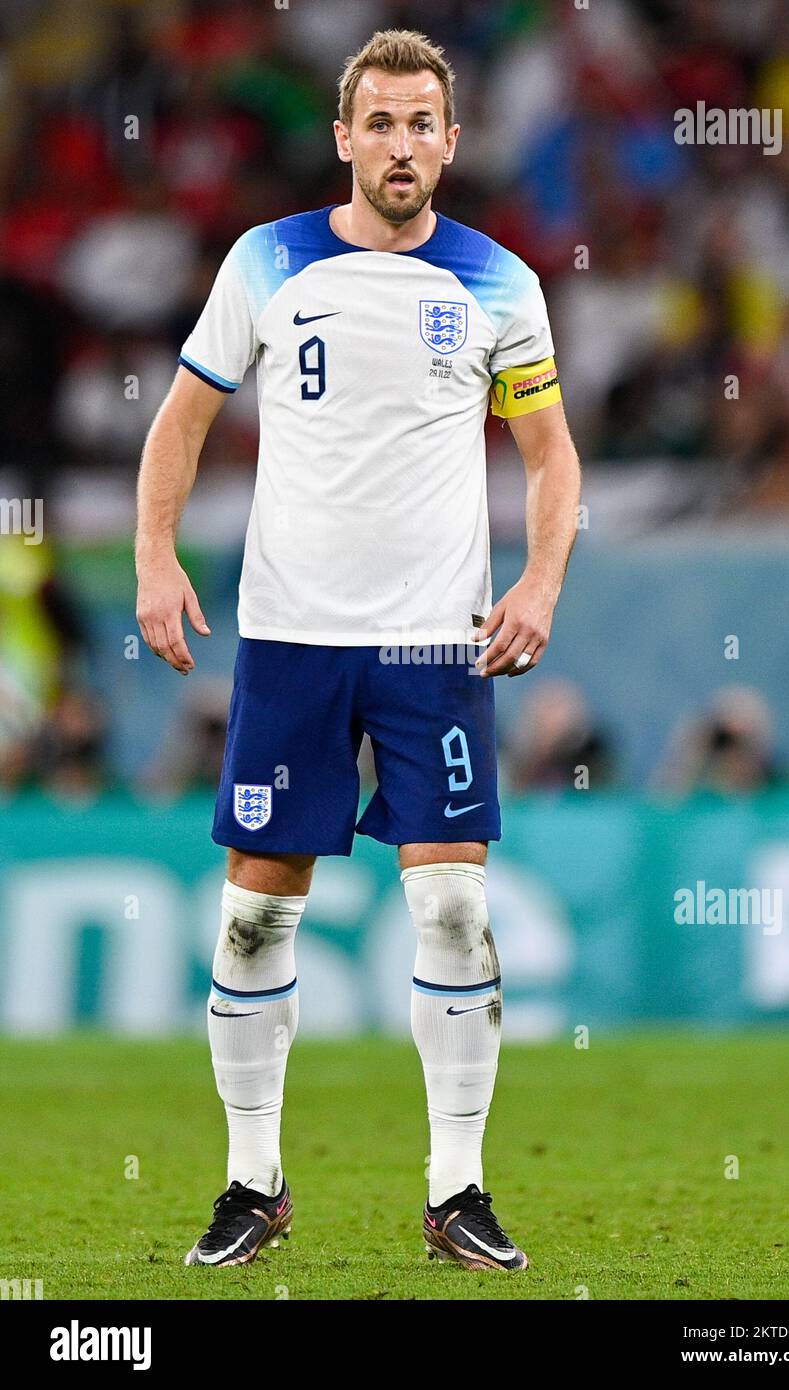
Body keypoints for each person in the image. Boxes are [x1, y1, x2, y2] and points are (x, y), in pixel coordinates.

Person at [135, 28, 581, 1274]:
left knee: (448, 903)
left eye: (419, 124)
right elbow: (181, 419)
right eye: (376, 123)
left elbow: (549, 455)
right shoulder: (265, 260)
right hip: (288, 637)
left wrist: (540, 579)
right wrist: (154, 559)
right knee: (251, 929)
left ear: (450, 138)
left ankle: (457, 1191)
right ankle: (250, 1181)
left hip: (436, 641)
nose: (398, 145)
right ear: (343, 137)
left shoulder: (498, 282)